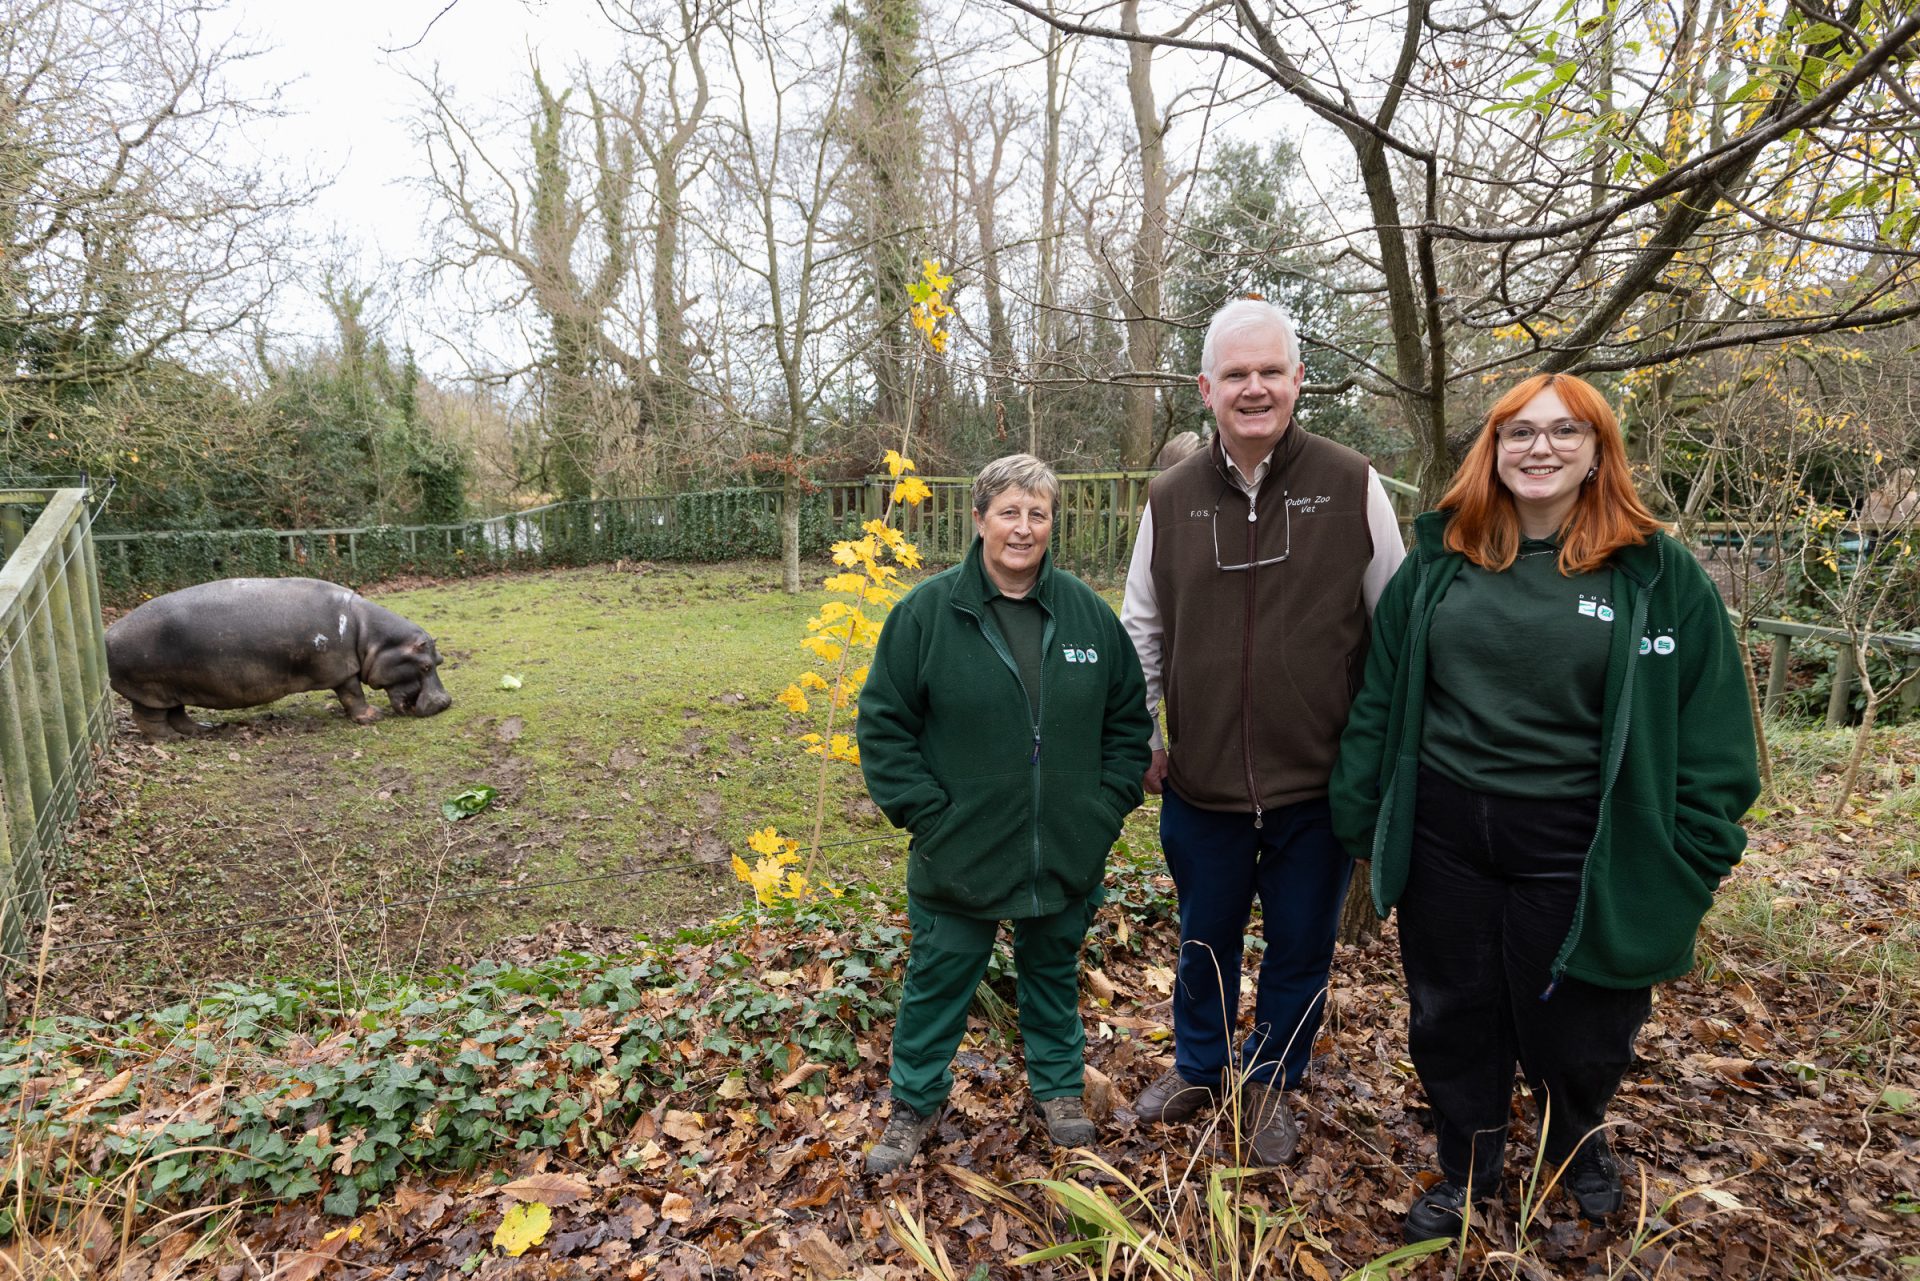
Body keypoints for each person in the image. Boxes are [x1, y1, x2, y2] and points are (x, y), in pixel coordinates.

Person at [1328, 373, 1760, 1241]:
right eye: (1519, 432)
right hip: (1449, 829)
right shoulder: (1444, 560)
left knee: (1580, 1017)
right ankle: (1470, 1161)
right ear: (1493, 448)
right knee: (1452, 1007)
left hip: (1583, 836)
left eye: (1565, 432)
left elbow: (1712, 727)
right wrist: (1360, 811)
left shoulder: (1655, 574)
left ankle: (1574, 1136)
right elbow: (1381, 693)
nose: (1541, 448)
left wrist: (1695, 850)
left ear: (1599, 452)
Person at [1119, 298, 1407, 1164]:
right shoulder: (1170, 500)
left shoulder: (1351, 482)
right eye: (1236, 375)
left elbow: (1394, 630)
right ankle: (1200, 1065)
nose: (1254, 389)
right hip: (1202, 781)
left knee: (1300, 946)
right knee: (1203, 937)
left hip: (1316, 786)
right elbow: (1141, 628)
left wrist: (1373, 758)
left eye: (1269, 372)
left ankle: (1271, 1077)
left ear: (1297, 381)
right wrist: (1144, 734)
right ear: (1206, 389)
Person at [857, 453, 1153, 1175]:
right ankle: (914, 1106)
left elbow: (1127, 724)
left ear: (1053, 523)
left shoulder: (1086, 614)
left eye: (1038, 513)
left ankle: (1058, 1092)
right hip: (958, 851)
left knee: (1052, 973)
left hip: (1062, 849)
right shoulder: (926, 614)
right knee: (938, 979)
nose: (1024, 528)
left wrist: (1100, 809)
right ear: (980, 519)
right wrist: (932, 817)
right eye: (1010, 512)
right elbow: (883, 725)